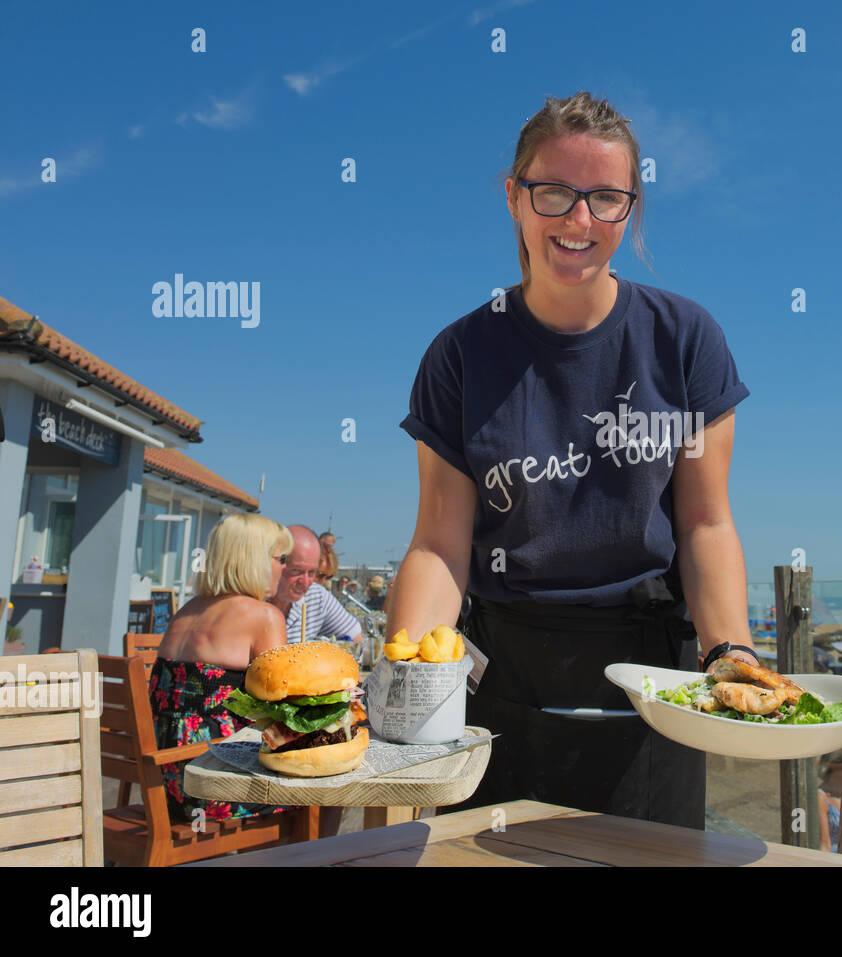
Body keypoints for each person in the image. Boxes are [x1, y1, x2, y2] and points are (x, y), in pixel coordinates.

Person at [388, 91, 754, 830]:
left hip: (653, 686)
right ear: (514, 197)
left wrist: (732, 653)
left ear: (631, 207)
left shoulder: (685, 341)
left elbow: (707, 522)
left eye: (606, 198)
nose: (578, 220)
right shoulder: (460, 354)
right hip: (503, 685)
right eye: (554, 191)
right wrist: (401, 690)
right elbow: (438, 544)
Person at [149, 514, 294, 823]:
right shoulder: (264, 617)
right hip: (216, 784)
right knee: (328, 789)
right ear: (253, 560)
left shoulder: (186, 611)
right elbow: (284, 709)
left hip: (165, 785)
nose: (283, 567)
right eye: (279, 558)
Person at [268, 525, 363, 643]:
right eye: (296, 571)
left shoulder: (317, 596)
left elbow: (357, 639)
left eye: (312, 572)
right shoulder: (251, 599)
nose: (305, 582)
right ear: (276, 563)